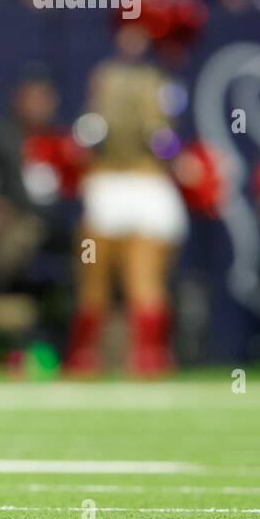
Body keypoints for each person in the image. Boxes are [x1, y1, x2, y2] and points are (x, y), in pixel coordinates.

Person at [68, 22, 186, 376]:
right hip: (117, 185)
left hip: (140, 185)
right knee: (95, 276)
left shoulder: (156, 80)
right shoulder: (121, 78)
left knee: (143, 276)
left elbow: (160, 139)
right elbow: (93, 132)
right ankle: (90, 355)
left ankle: (145, 354)